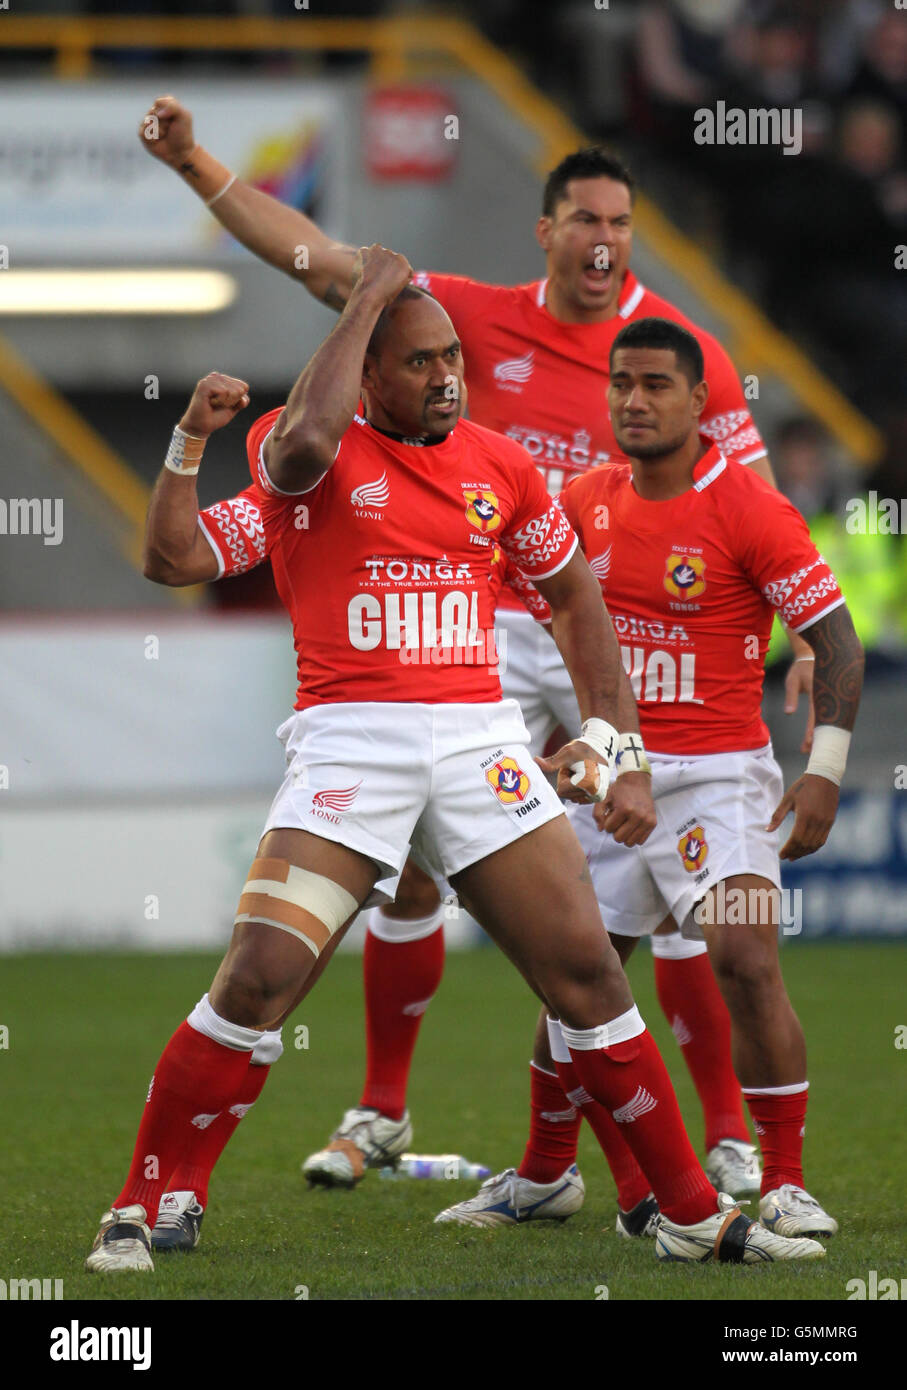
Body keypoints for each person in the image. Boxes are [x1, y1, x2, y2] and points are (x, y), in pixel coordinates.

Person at [86, 252, 828, 1274]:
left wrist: (612, 740)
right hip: (353, 741)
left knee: (586, 976)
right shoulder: (302, 451)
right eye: (420, 363)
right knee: (258, 978)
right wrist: (209, 426)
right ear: (364, 372)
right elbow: (180, 552)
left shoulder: (499, 465)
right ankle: (139, 1203)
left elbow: (574, 597)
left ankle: (693, 1210)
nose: (447, 379)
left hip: (479, 741)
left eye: (454, 360)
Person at [436, 317, 863, 1241]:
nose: (633, 400)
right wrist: (560, 741)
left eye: (655, 385)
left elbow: (835, 640)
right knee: (573, 982)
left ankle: (783, 1179)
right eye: (620, 383)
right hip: (607, 783)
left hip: (719, 781)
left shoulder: (750, 508)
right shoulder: (581, 498)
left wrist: (821, 770)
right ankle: (546, 1175)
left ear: (700, 400)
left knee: (745, 959)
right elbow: (533, 619)